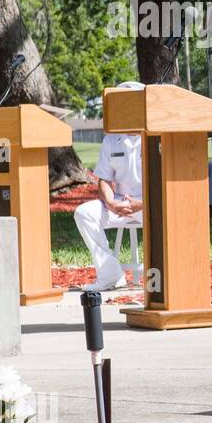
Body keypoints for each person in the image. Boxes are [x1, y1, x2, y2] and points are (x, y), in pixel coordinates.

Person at [73, 81, 145, 292]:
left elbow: (164, 182)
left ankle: (163, 276)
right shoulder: (111, 139)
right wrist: (110, 202)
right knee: (83, 213)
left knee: (165, 214)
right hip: (120, 202)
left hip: (150, 204)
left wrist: (142, 203)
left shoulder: (157, 136)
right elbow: (103, 179)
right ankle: (110, 274)